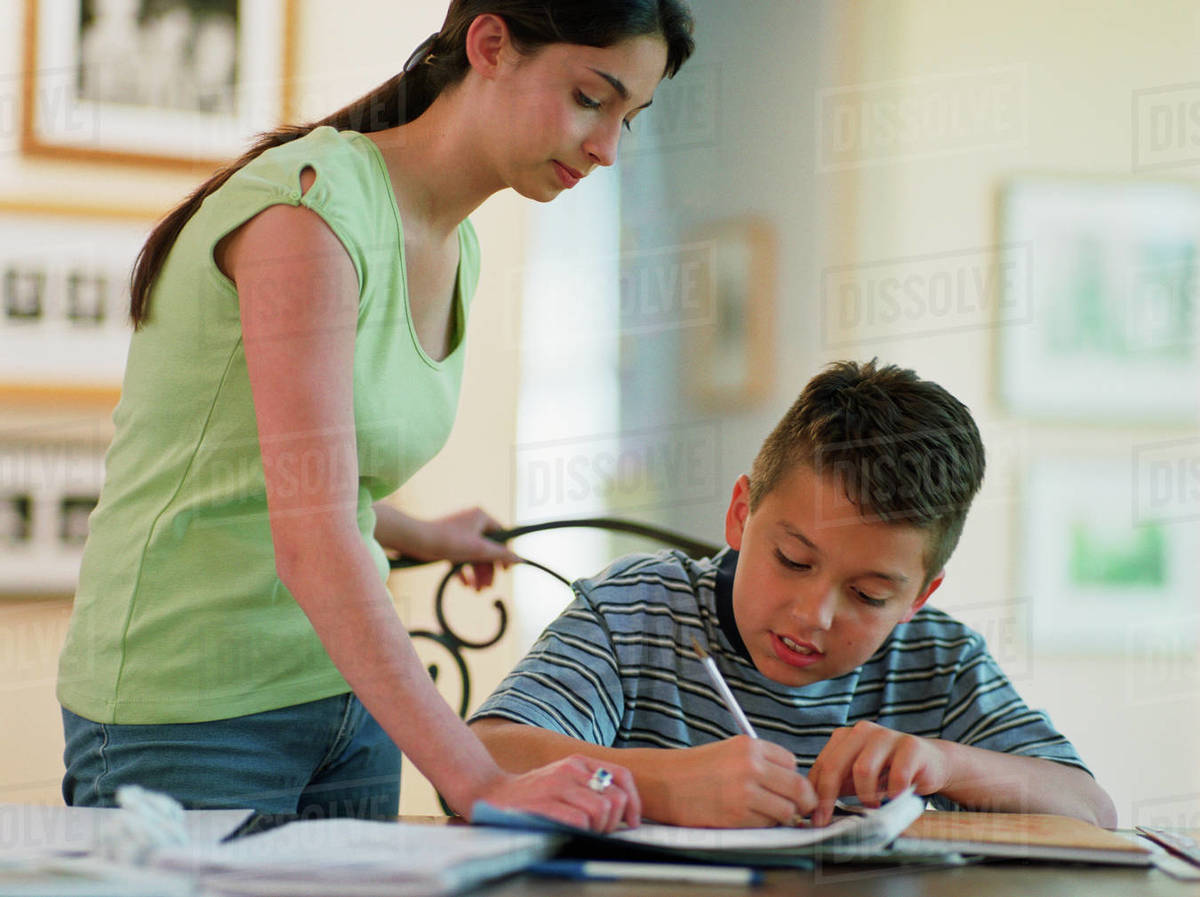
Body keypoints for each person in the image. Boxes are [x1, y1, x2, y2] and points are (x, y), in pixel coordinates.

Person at [56, 0, 695, 833]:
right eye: (590, 98)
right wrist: (479, 778)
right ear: (491, 44)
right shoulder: (308, 214)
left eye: (629, 119)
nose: (608, 148)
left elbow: (277, 469)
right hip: (189, 708)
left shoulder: (453, 242)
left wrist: (419, 533)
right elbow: (312, 535)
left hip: (347, 702)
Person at [469, 361, 1118, 829]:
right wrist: (664, 782)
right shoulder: (635, 611)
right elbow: (484, 759)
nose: (814, 614)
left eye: (867, 593)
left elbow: (1090, 807)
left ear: (920, 594)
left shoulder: (939, 663)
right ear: (740, 513)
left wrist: (944, 762)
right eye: (793, 558)